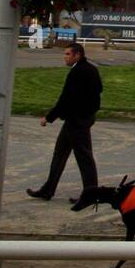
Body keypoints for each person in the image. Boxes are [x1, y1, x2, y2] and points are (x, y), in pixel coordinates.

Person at [27, 42, 101, 202]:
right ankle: (48, 190)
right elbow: (98, 90)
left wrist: (48, 117)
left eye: (68, 54)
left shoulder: (78, 72)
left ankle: (91, 195)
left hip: (77, 121)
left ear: (77, 55)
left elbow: (65, 99)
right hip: (79, 120)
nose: (64, 57)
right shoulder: (91, 69)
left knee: (84, 157)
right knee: (60, 155)